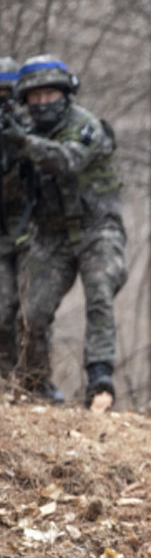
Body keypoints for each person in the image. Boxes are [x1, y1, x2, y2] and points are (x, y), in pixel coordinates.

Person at [2, 55, 124, 406]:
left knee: (99, 292)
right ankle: (35, 385)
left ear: (65, 94)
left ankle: (100, 378)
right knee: (32, 312)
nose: (43, 103)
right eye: (35, 98)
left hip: (97, 229)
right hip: (51, 236)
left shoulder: (86, 125)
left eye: (50, 95)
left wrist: (21, 144)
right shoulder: (20, 130)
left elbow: (69, 160)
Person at [0, 55, 27, 382]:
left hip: (31, 233)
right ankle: (6, 378)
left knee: (33, 313)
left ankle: (35, 377)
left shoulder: (31, 129)